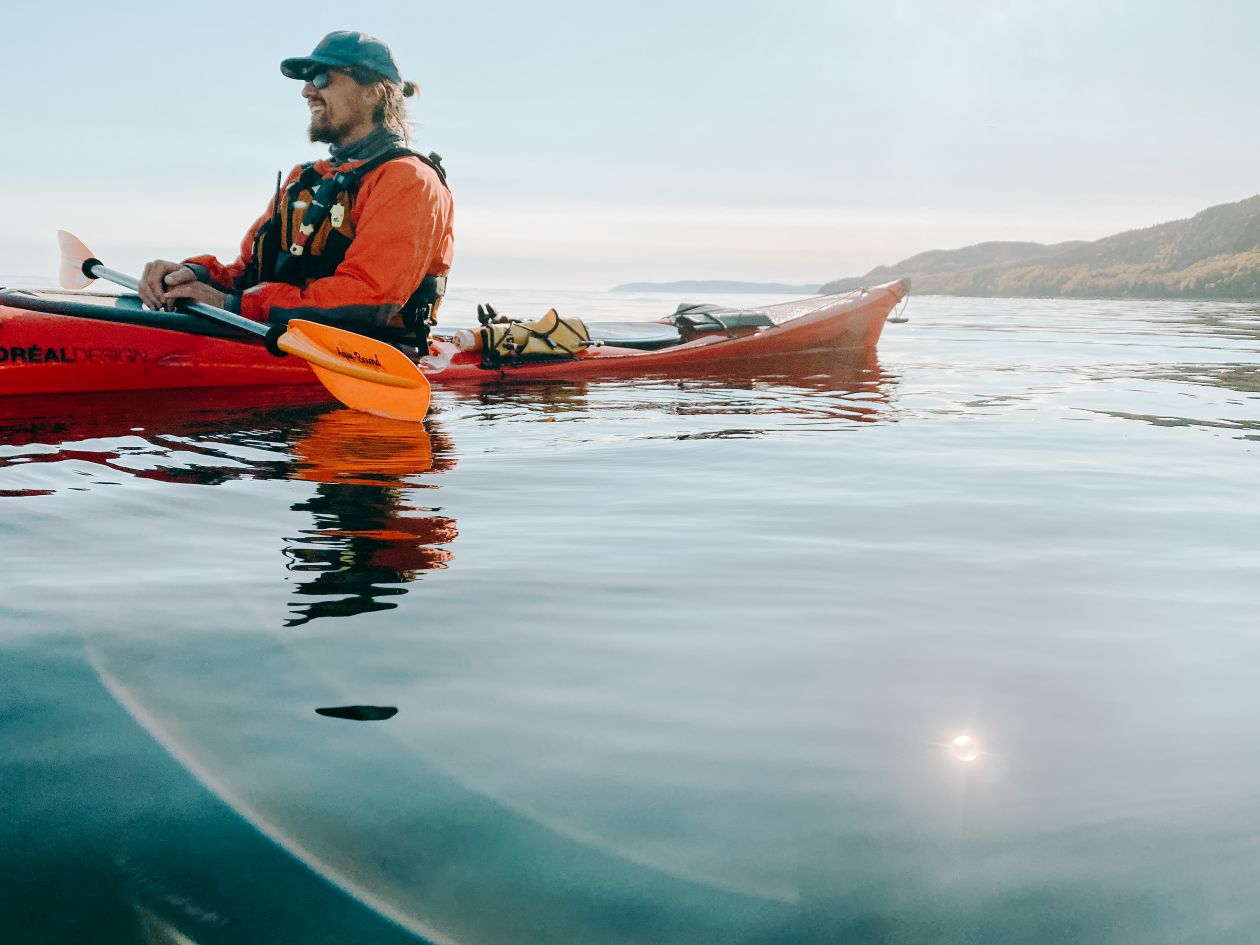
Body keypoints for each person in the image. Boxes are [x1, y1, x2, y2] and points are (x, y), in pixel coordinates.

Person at [138, 31, 454, 350]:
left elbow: (367, 302)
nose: (306, 91)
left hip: (372, 355)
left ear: (372, 92)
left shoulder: (410, 180)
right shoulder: (305, 179)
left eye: (320, 78)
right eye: (305, 81)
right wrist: (194, 275)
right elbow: (248, 273)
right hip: (279, 336)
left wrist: (233, 306)